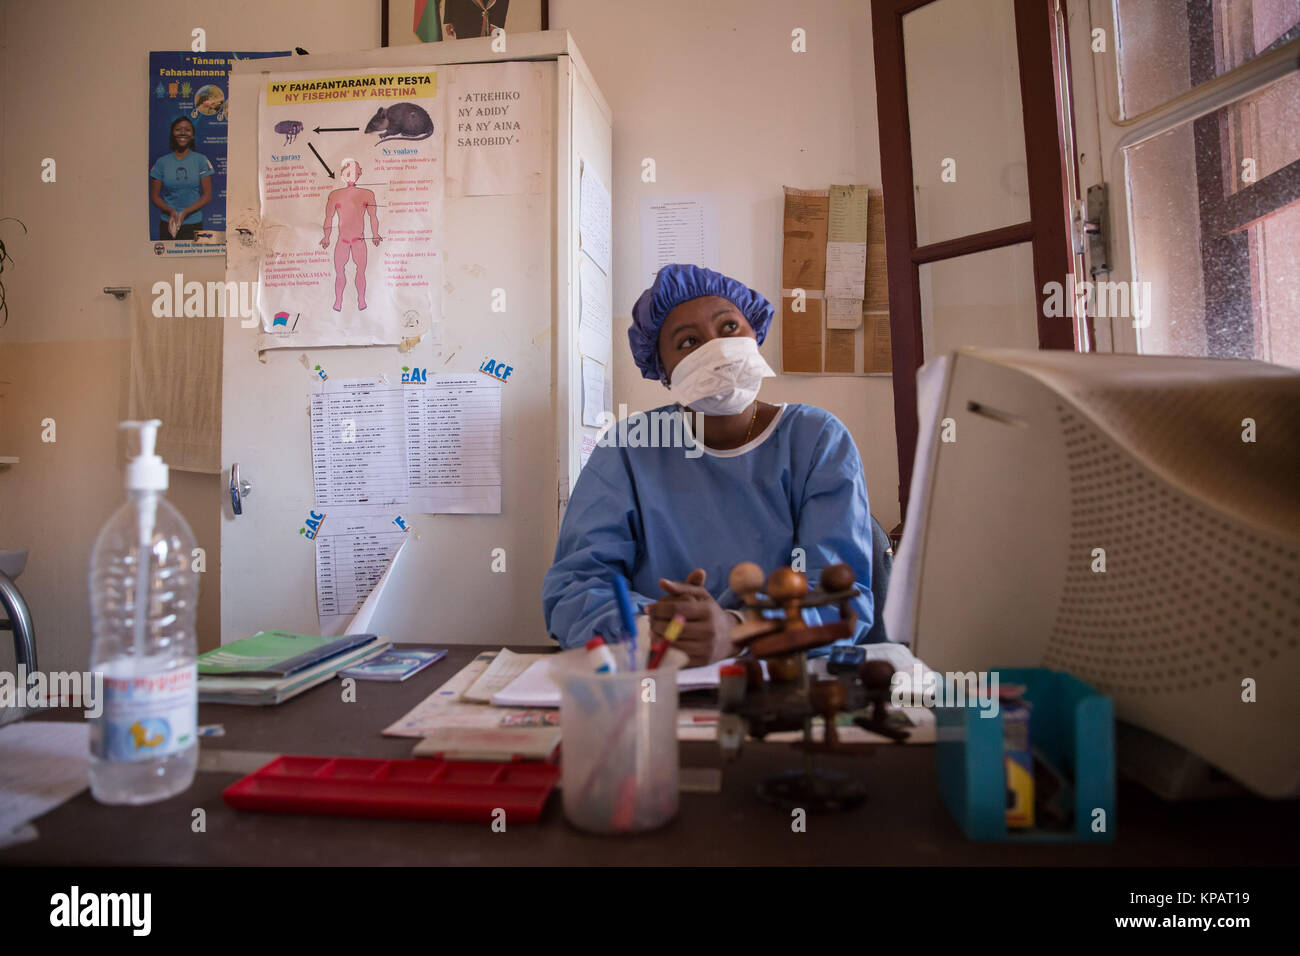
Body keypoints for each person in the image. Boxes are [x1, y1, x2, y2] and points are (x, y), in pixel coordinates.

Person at [542, 264, 877, 666]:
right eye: (687, 342)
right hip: (659, 676)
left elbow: (842, 591)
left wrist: (738, 627)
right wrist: (663, 630)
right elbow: (576, 587)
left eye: (730, 328)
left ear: (755, 333)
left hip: (781, 677)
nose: (715, 350)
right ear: (663, 371)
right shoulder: (629, 449)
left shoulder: (816, 439)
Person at [320, 158, 380, 311]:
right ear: (343, 175)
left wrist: (375, 234)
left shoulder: (367, 194)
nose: (352, 175)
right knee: (340, 273)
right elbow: (329, 217)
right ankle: (338, 301)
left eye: (354, 172)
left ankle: (361, 300)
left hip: (359, 240)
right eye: (348, 172)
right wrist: (326, 237)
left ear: (359, 174)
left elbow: (373, 216)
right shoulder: (335, 195)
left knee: (360, 272)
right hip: (343, 240)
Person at [149, 117, 213, 241]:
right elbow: (155, 197)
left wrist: (184, 212)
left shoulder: (201, 160)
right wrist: (172, 211)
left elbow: (207, 195)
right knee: (168, 261)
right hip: (168, 224)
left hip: (194, 224)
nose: (182, 132)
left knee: (194, 261)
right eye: (178, 129)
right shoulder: (161, 162)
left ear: (193, 135)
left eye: (187, 130)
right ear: (172, 134)